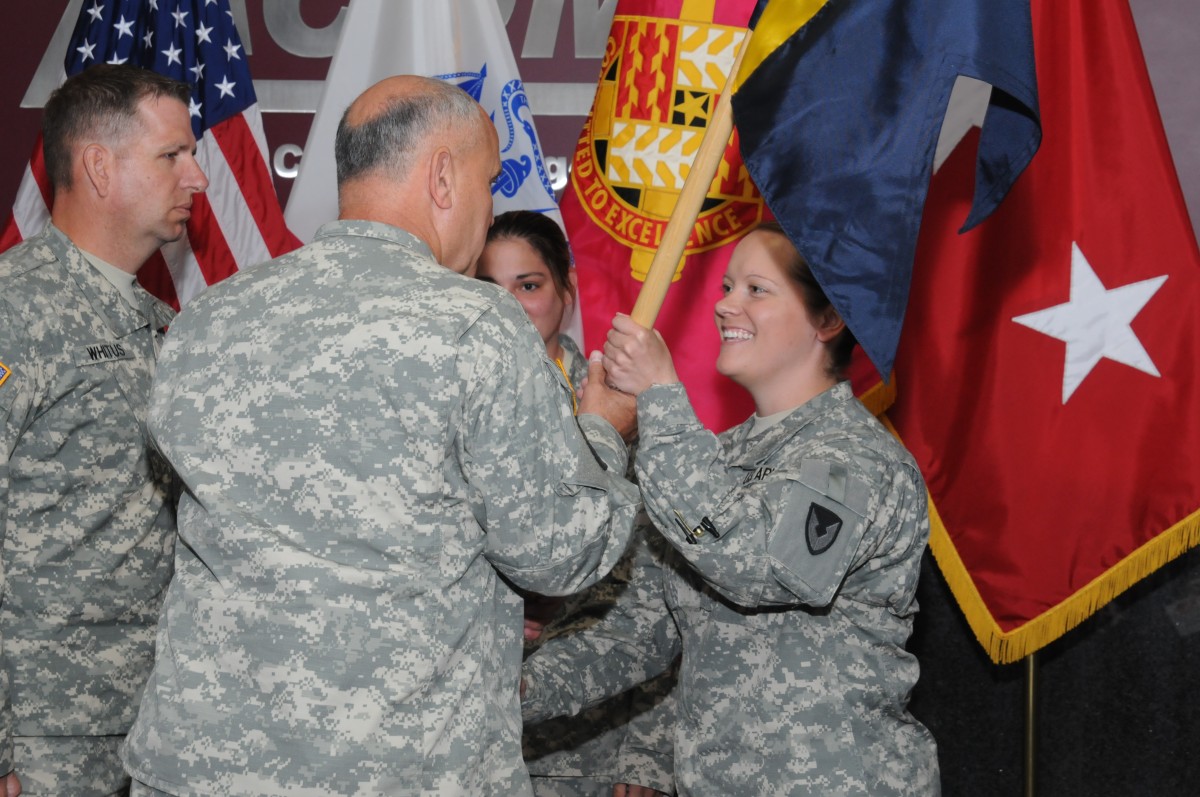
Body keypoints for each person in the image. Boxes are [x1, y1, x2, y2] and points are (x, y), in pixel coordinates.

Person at [120, 75, 640, 797]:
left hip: (202, 766)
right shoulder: (476, 325)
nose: (489, 212)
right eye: (489, 183)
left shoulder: (211, 317)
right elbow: (557, 549)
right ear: (442, 175)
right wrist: (604, 432)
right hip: (396, 771)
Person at [522, 222, 940, 795]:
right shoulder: (713, 461)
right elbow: (633, 633)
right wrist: (513, 689)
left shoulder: (854, 460)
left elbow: (757, 565)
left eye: (755, 290)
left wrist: (662, 399)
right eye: (725, 287)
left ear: (828, 319)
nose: (725, 307)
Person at [0, 64, 207, 797]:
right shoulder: (16, 311)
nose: (200, 175)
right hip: (42, 736)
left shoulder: (156, 324)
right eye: (173, 155)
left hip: (146, 726)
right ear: (97, 165)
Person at [476, 211, 676, 797]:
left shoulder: (623, 406)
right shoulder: (447, 405)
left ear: (567, 292)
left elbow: (665, 590)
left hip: (588, 744)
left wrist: (650, 752)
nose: (508, 304)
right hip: (466, 740)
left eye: (528, 285)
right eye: (488, 287)